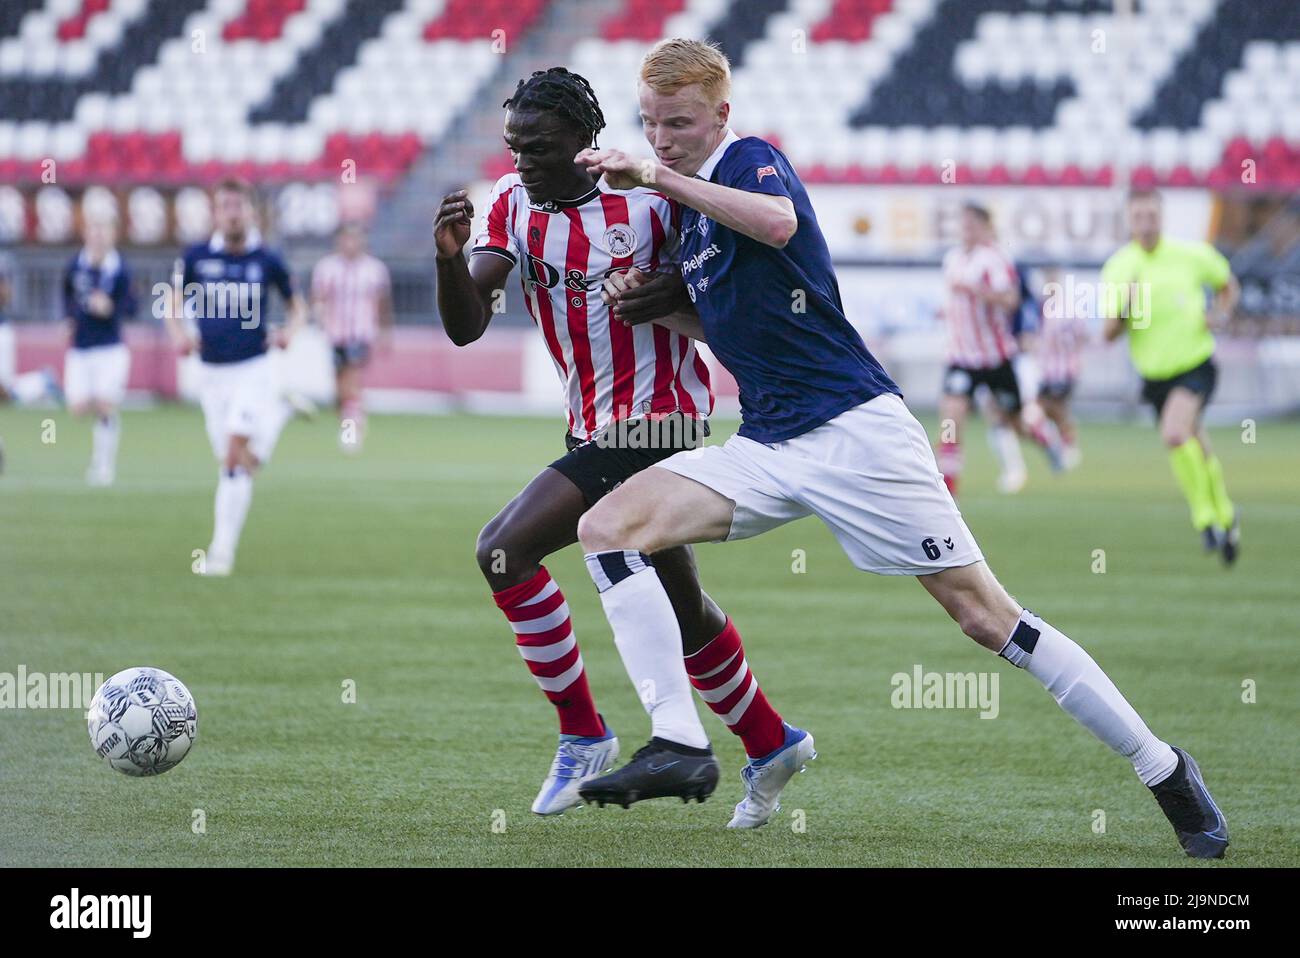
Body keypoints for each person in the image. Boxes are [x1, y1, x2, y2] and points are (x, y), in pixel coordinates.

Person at [570, 38, 1228, 857]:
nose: (662, 139)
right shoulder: (686, 214)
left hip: (856, 432)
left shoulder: (750, 163)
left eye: (680, 123)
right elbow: (732, 326)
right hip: (769, 442)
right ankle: (679, 741)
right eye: (651, 125)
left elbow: (777, 226)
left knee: (985, 618)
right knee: (607, 529)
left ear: (721, 116)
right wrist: (654, 308)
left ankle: (1163, 768)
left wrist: (659, 177)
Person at [433, 67, 804, 824]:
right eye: (514, 148)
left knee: (502, 550)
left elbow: (720, 285)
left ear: (585, 144)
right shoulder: (509, 205)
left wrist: (673, 296)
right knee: (683, 603)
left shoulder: (647, 196)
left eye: (539, 148)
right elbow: (469, 324)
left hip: (663, 418)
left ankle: (584, 734)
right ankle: (772, 741)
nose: (524, 162)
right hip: (591, 424)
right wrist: (448, 258)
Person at [164, 178, 307, 577]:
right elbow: (172, 303)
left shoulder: (267, 258)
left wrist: (290, 333)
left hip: (253, 368)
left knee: (231, 457)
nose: (231, 212)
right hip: (210, 373)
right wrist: (179, 336)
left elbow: (298, 306)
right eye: (224, 205)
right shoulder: (195, 257)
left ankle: (220, 552)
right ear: (215, 212)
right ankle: (278, 417)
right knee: (242, 465)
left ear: (249, 211)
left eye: (238, 205)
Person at [1102, 189, 1240, 563]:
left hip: (1195, 363)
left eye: (1152, 215)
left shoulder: (1190, 255)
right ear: (1129, 221)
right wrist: (1127, 307)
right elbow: (1109, 334)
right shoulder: (1119, 267)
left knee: (1174, 433)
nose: (1146, 223)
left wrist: (1221, 315)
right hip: (1154, 376)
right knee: (1194, 441)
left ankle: (1205, 518)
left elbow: (1227, 283)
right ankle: (1226, 514)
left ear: (1162, 217)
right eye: (1139, 216)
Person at [63, 216, 137, 486]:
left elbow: (132, 307)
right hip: (80, 348)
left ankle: (103, 466)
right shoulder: (75, 265)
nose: (98, 235)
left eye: (103, 229)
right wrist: (68, 320)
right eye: (94, 228)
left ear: (113, 234)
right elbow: (68, 297)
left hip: (110, 347)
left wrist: (110, 308)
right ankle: (41, 385)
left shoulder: (120, 269)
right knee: (78, 409)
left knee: (106, 405)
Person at [311, 223, 392, 453]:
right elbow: (318, 297)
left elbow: (383, 303)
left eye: (355, 239)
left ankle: (352, 433)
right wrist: (318, 314)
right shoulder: (327, 268)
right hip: (335, 334)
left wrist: (385, 331)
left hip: (361, 333)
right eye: (347, 239)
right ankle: (351, 421)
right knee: (339, 390)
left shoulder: (374, 269)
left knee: (351, 382)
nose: (351, 244)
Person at [1036, 265, 1086, 469]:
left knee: (1054, 408)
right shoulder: (1043, 308)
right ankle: (1064, 445)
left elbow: (1080, 337)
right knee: (1046, 409)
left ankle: (1069, 446)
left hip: (1064, 369)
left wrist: (1075, 358)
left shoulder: (1066, 310)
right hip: (1047, 370)